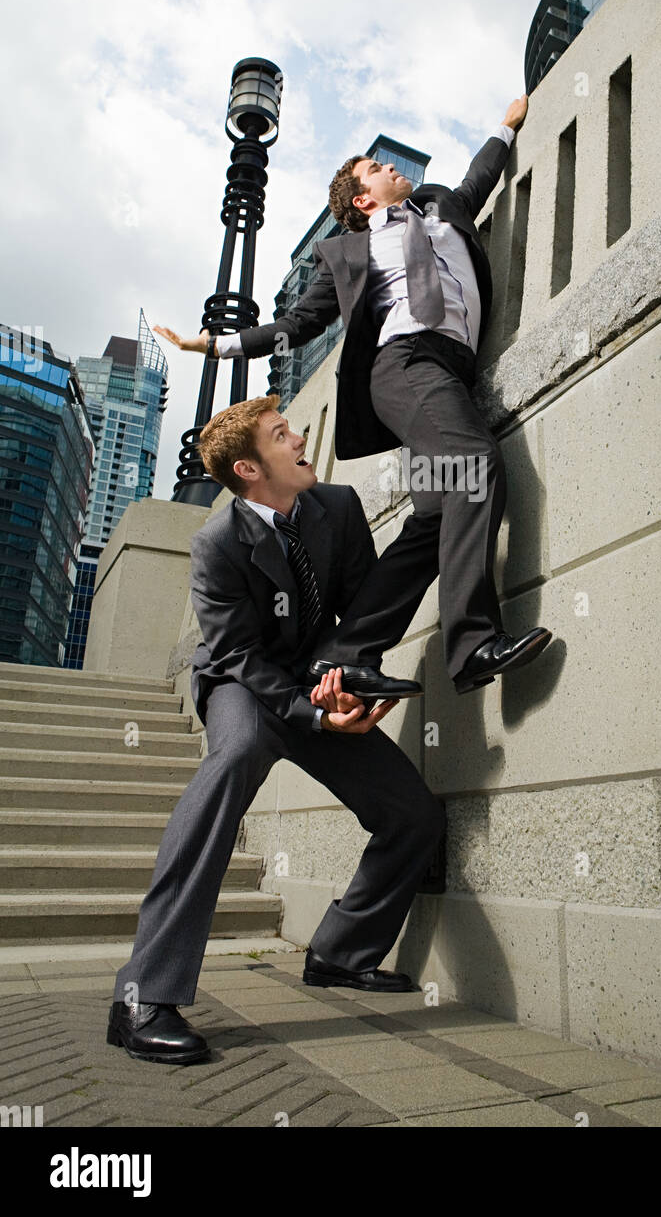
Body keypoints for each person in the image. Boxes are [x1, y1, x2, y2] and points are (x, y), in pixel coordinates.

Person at [155, 94, 551, 701]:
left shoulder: (442, 209)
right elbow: (296, 326)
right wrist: (210, 345)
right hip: (406, 367)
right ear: (363, 200)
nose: (392, 170)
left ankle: (345, 655)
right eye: (376, 169)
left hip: (448, 373)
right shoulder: (348, 251)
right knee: (475, 466)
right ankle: (472, 644)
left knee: (436, 518)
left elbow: (481, 176)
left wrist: (506, 124)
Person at [107, 396, 446, 1064]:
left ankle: (340, 955)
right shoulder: (217, 545)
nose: (300, 440)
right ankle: (142, 996)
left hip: (313, 679)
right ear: (249, 469)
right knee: (233, 761)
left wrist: (344, 682)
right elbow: (236, 656)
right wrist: (312, 713)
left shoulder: (339, 509)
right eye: (282, 434)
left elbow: (362, 612)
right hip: (246, 687)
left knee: (413, 815)